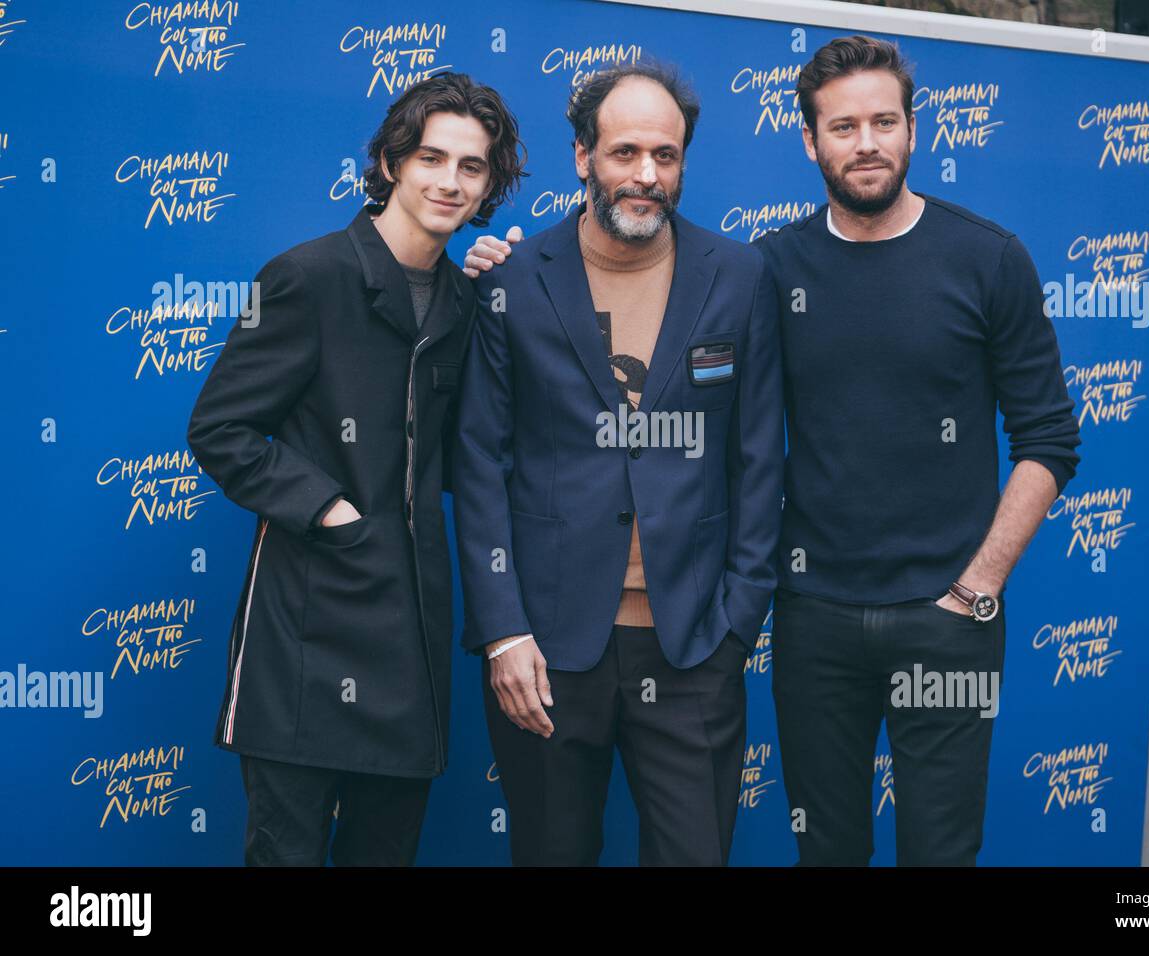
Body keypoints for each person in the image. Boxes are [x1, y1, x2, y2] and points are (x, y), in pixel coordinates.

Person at [463, 35, 1081, 867]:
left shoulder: (966, 259)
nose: (865, 142)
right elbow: (488, 458)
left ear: (911, 129)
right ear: (809, 141)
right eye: (843, 126)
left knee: (940, 851)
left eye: (883, 122)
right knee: (820, 849)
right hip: (766, 625)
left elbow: (1042, 438)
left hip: (882, 629)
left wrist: (972, 591)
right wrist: (505, 632)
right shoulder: (752, 268)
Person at [187, 73, 526, 866]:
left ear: (489, 186)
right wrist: (328, 509)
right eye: (431, 158)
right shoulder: (305, 276)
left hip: (407, 639)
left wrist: (509, 291)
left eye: (471, 167)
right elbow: (219, 427)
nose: (449, 181)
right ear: (389, 163)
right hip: (304, 631)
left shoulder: (466, 301)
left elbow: (468, 452)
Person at [453, 62, 783, 866]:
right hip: (547, 652)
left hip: (693, 647)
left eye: (665, 156)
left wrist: (736, 627)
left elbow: (760, 457)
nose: (646, 174)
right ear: (581, 157)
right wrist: (502, 633)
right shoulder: (515, 283)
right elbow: (479, 463)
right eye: (626, 151)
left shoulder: (738, 277)